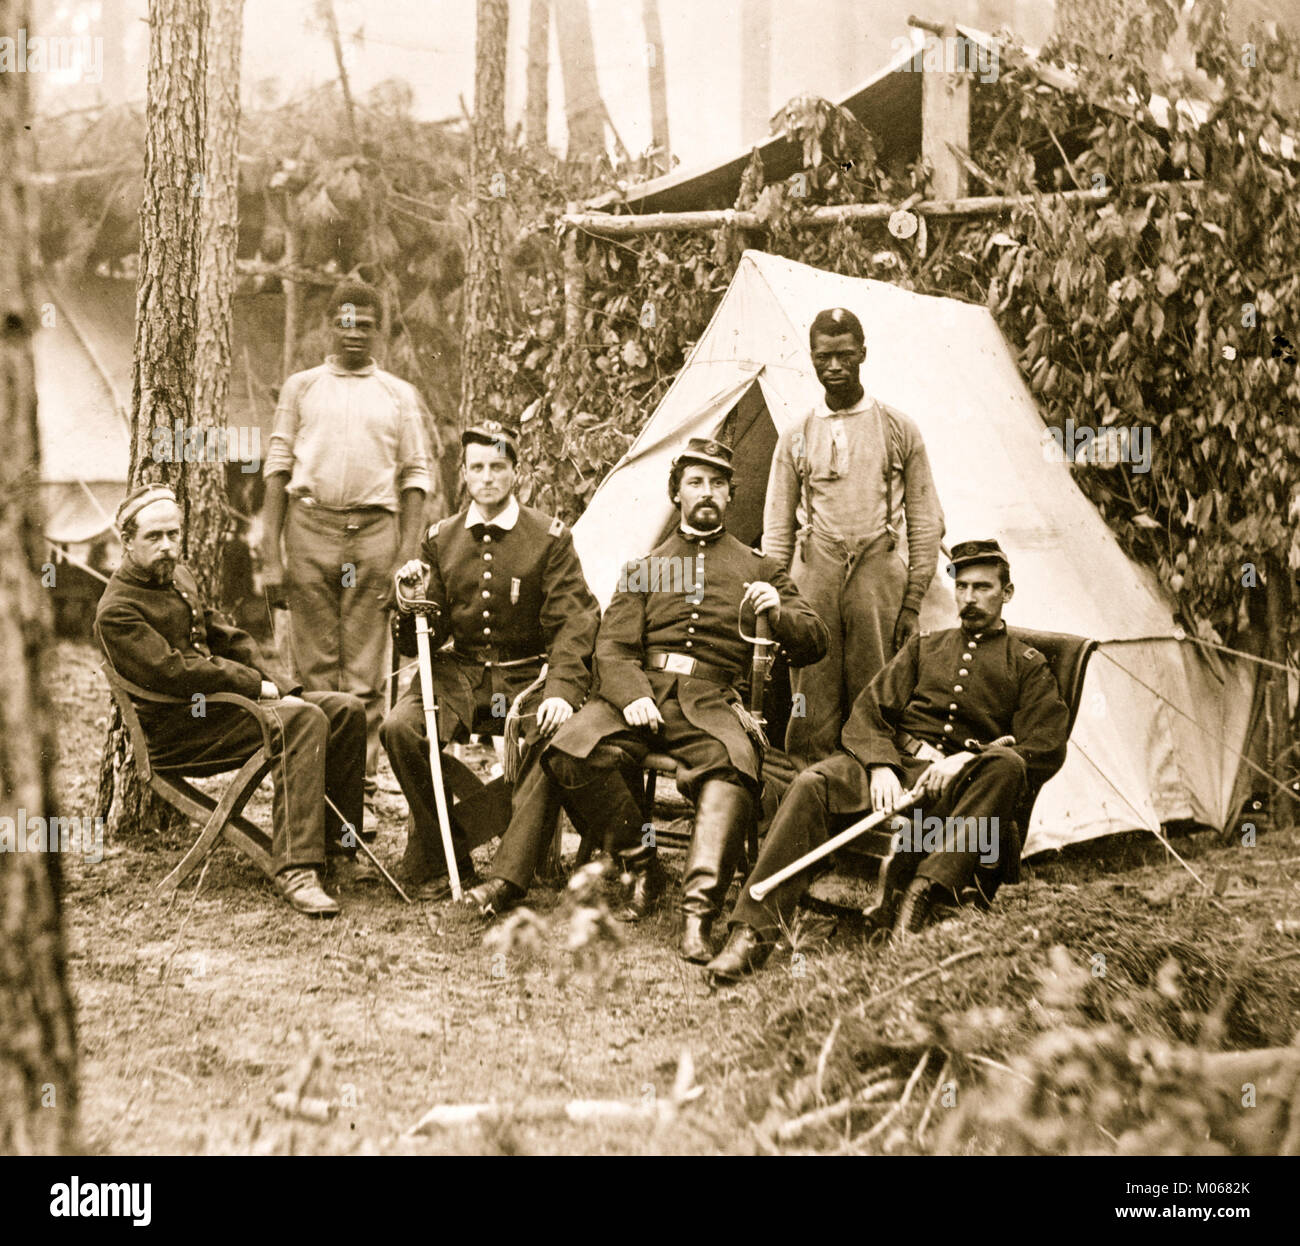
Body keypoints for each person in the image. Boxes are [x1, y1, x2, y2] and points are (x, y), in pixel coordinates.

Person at [707, 539, 1070, 982]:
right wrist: (881, 765)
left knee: (1007, 766)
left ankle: (923, 892)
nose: (970, 598)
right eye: (963, 587)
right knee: (814, 783)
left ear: (1006, 593)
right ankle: (751, 933)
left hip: (959, 796)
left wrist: (968, 760)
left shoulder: (1027, 665)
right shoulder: (925, 648)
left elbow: (1046, 745)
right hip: (896, 769)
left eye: (984, 588)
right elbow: (868, 711)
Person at [544, 438, 829, 962]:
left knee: (731, 767)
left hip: (712, 702)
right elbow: (612, 645)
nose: (707, 493)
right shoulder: (646, 566)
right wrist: (631, 694)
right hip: (643, 695)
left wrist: (780, 611)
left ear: (730, 494)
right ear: (676, 492)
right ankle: (641, 862)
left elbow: (815, 640)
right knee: (570, 750)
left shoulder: (759, 567)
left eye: (718, 484)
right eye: (695, 482)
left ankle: (698, 914)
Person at [96, 485, 367, 917]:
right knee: (301, 722)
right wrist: (252, 686)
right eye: (154, 537)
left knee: (345, 710)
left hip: (217, 712)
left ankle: (340, 850)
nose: (167, 546)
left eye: (173, 533)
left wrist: (283, 686)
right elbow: (174, 673)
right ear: (126, 542)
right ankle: (297, 868)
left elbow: (228, 638)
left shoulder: (178, 576)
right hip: (179, 733)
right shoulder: (118, 609)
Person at [381, 421, 600, 905]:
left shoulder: (549, 538)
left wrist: (562, 691)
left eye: (498, 467)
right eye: (477, 467)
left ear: (516, 473)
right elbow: (424, 635)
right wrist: (409, 597)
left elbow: (576, 623)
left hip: (527, 677)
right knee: (400, 729)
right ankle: (450, 856)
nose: (487, 477)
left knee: (550, 735)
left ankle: (508, 878)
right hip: (457, 676)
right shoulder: (439, 538)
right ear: (463, 474)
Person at [261, 279, 433, 800]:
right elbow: (277, 467)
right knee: (312, 671)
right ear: (328, 325)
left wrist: (406, 557)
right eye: (345, 321)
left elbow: (416, 478)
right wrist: (271, 555)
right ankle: (313, 790)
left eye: (366, 324)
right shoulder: (301, 387)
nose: (355, 333)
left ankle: (359, 789)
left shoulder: (399, 395)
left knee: (363, 673)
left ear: (380, 330)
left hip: (374, 538)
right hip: (310, 531)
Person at [763, 306, 945, 765]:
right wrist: (783, 603)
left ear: (863, 353)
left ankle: (876, 796)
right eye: (824, 357)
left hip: (878, 576)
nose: (835, 367)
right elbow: (777, 530)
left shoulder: (899, 429)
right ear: (811, 358)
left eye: (845, 355)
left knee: (877, 692)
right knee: (810, 697)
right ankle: (812, 791)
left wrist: (911, 602)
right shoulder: (796, 436)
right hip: (814, 577)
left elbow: (926, 523)